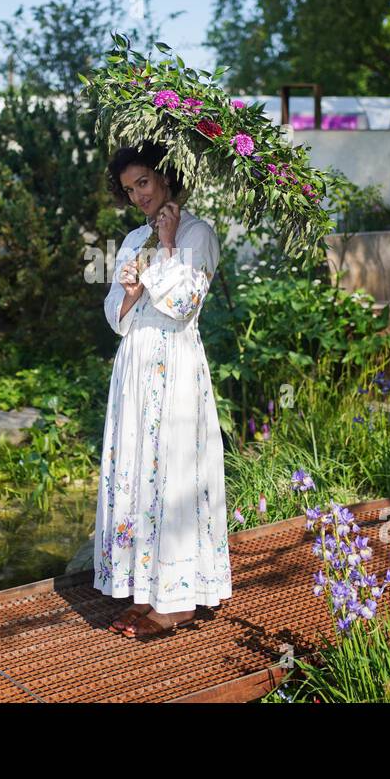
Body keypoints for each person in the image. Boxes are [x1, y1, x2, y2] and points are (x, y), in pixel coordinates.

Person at [95, 139, 232, 639]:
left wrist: (171, 246)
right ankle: (146, 590)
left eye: (144, 183)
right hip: (134, 367)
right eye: (130, 189)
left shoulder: (199, 234)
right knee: (137, 468)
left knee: (172, 469)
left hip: (174, 366)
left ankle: (178, 601)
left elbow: (186, 305)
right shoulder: (133, 240)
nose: (138, 197)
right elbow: (114, 316)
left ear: (166, 176)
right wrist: (130, 294)